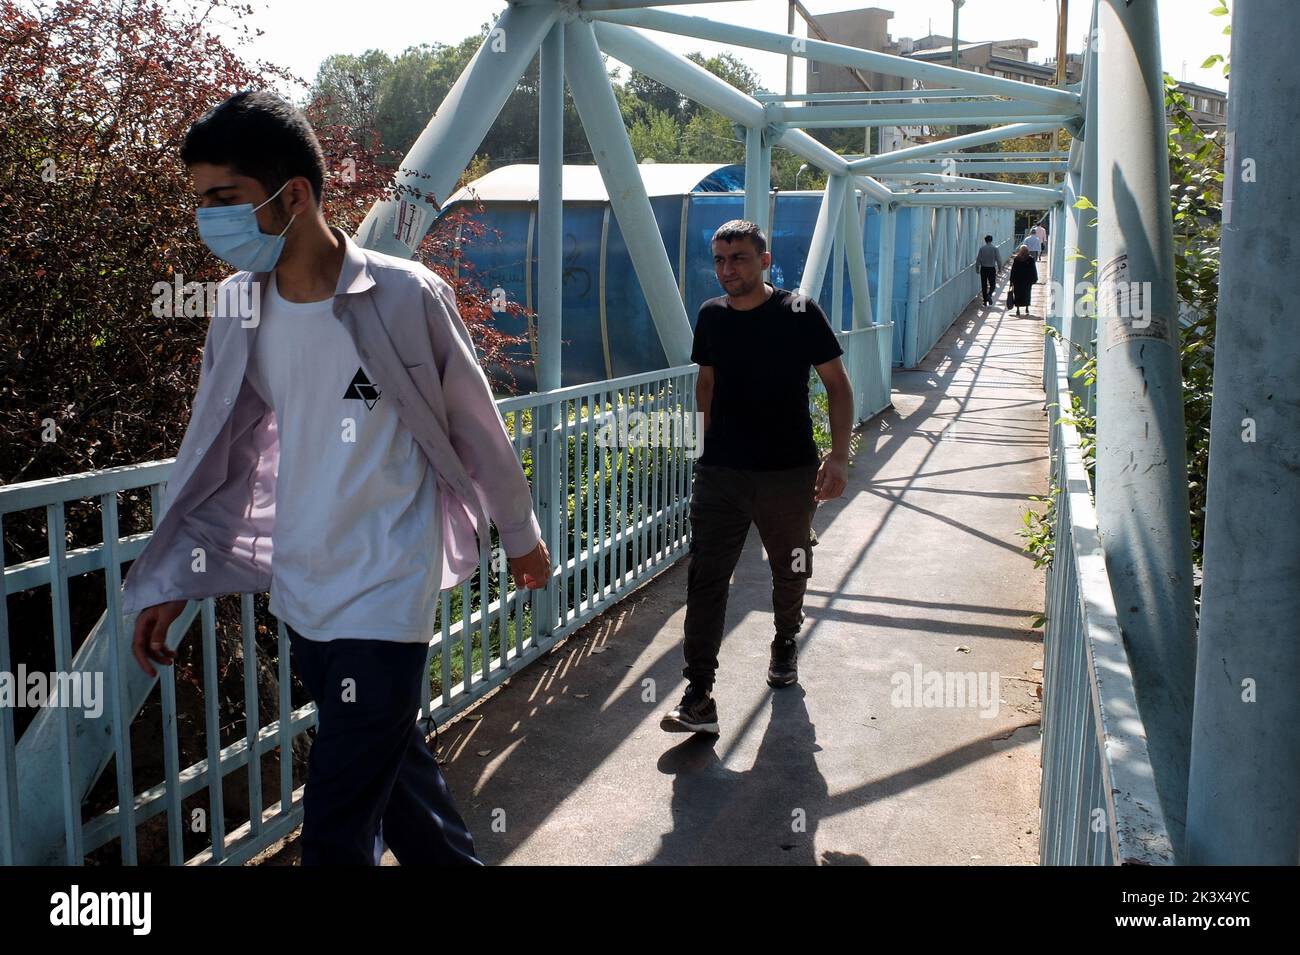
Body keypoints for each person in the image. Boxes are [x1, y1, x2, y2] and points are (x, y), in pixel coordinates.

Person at [122, 91, 552, 865]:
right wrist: (176, 577)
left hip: (388, 585)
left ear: (294, 196)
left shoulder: (404, 295)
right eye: (200, 202)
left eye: (225, 199)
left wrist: (520, 535)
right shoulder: (238, 306)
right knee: (400, 787)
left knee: (335, 824)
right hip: (301, 586)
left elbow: (475, 425)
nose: (208, 221)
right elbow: (218, 457)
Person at [660, 220, 853, 735]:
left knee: (791, 567)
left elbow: (837, 385)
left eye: (739, 258)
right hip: (721, 472)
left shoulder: (798, 312)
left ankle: (786, 639)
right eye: (720, 260)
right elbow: (706, 383)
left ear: (764, 260)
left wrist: (838, 457)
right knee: (706, 579)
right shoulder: (711, 315)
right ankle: (700, 694)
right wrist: (702, 450)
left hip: (787, 472)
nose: (727, 270)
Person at [1009, 244, 1038, 316]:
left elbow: (1013, 270)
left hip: (1017, 281)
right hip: (1027, 281)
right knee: (1027, 294)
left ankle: (1018, 309)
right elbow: (1033, 270)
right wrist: (1034, 278)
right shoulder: (1030, 259)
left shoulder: (1017, 259)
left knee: (1017, 294)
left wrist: (1011, 280)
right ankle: (1027, 308)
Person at [974, 234, 1003, 306]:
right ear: (991, 240)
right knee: (992, 285)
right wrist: (1000, 268)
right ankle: (989, 295)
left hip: (983, 269)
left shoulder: (982, 249)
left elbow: (978, 259)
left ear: (985, 240)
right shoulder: (995, 248)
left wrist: (977, 267)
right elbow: (999, 260)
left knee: (984, 285)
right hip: (991, 268)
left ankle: (985, 301)